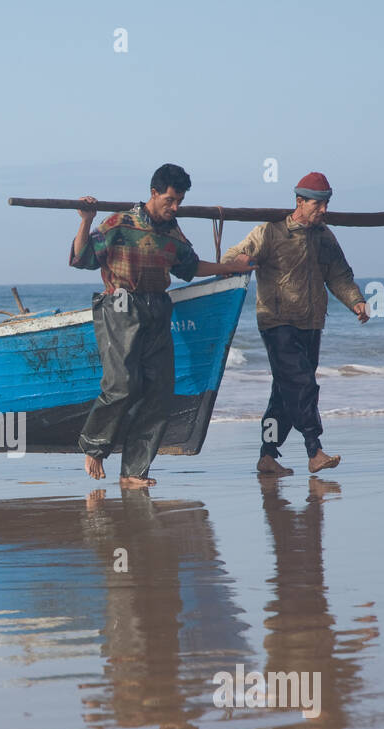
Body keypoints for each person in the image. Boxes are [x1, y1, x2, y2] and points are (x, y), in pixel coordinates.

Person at [69, 164, 253, 487]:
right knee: (123, 384)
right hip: (121, 304)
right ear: (154, 193)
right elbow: (81, 258)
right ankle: (94, 447)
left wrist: (229, 268)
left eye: (179, 201)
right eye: (170, 200)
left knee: (159, 393)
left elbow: (191, 267)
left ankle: (134, 472)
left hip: (157, 308)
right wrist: (85, 220)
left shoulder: (172, 233)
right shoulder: (119, 223)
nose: (175, 207)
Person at [221, 172, 370, 476]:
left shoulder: (324, 236)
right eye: (318, 204)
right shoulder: (270, 232)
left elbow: (339, 275)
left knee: (284, 393)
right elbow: (233, 256)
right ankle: (314, 449)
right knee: (302, 385)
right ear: (300, 202)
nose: (324, 210)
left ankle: (267, 456)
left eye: (327, 203)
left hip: (311, 322)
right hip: (277, 323)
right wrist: (240, 264)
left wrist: (355, 300)